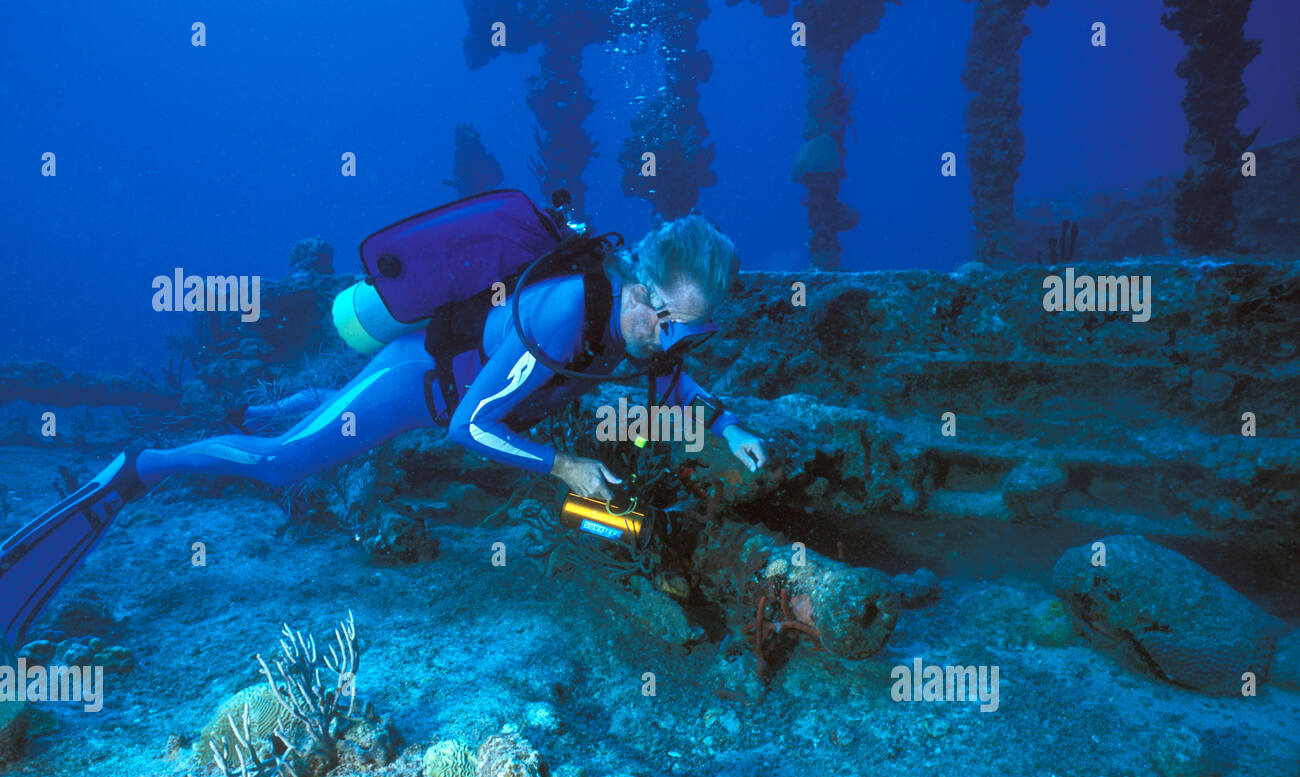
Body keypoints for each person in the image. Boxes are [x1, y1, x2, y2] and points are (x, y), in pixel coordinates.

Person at [0, 214, 766, 649]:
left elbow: (666, 377)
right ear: (637, 281)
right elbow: (473, 426)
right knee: (280, 467)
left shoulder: (642, 331)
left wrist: (725, 422)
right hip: (416, 391)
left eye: (683, 330)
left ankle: (276, 404)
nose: (662, 337)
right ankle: (144, 466)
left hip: (422, 380)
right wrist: (565, 466)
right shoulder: (568, 311)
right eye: (658, 316)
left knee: (318, 413)